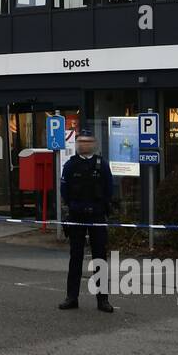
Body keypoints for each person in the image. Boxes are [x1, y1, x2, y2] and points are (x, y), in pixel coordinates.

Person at [59, 128, 115, 313]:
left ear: (94, 144)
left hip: (97, 215)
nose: (84, 144)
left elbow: (109, 189)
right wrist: (72, 207)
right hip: (76, 215)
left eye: (88, 141)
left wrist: (102, 207)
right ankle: (71, 297)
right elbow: (64, 191)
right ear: (77, 144)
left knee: (100, 257)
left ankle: (103, 300)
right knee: (76, 257)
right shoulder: (70, 165)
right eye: (81, 141)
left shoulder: (102, 164)